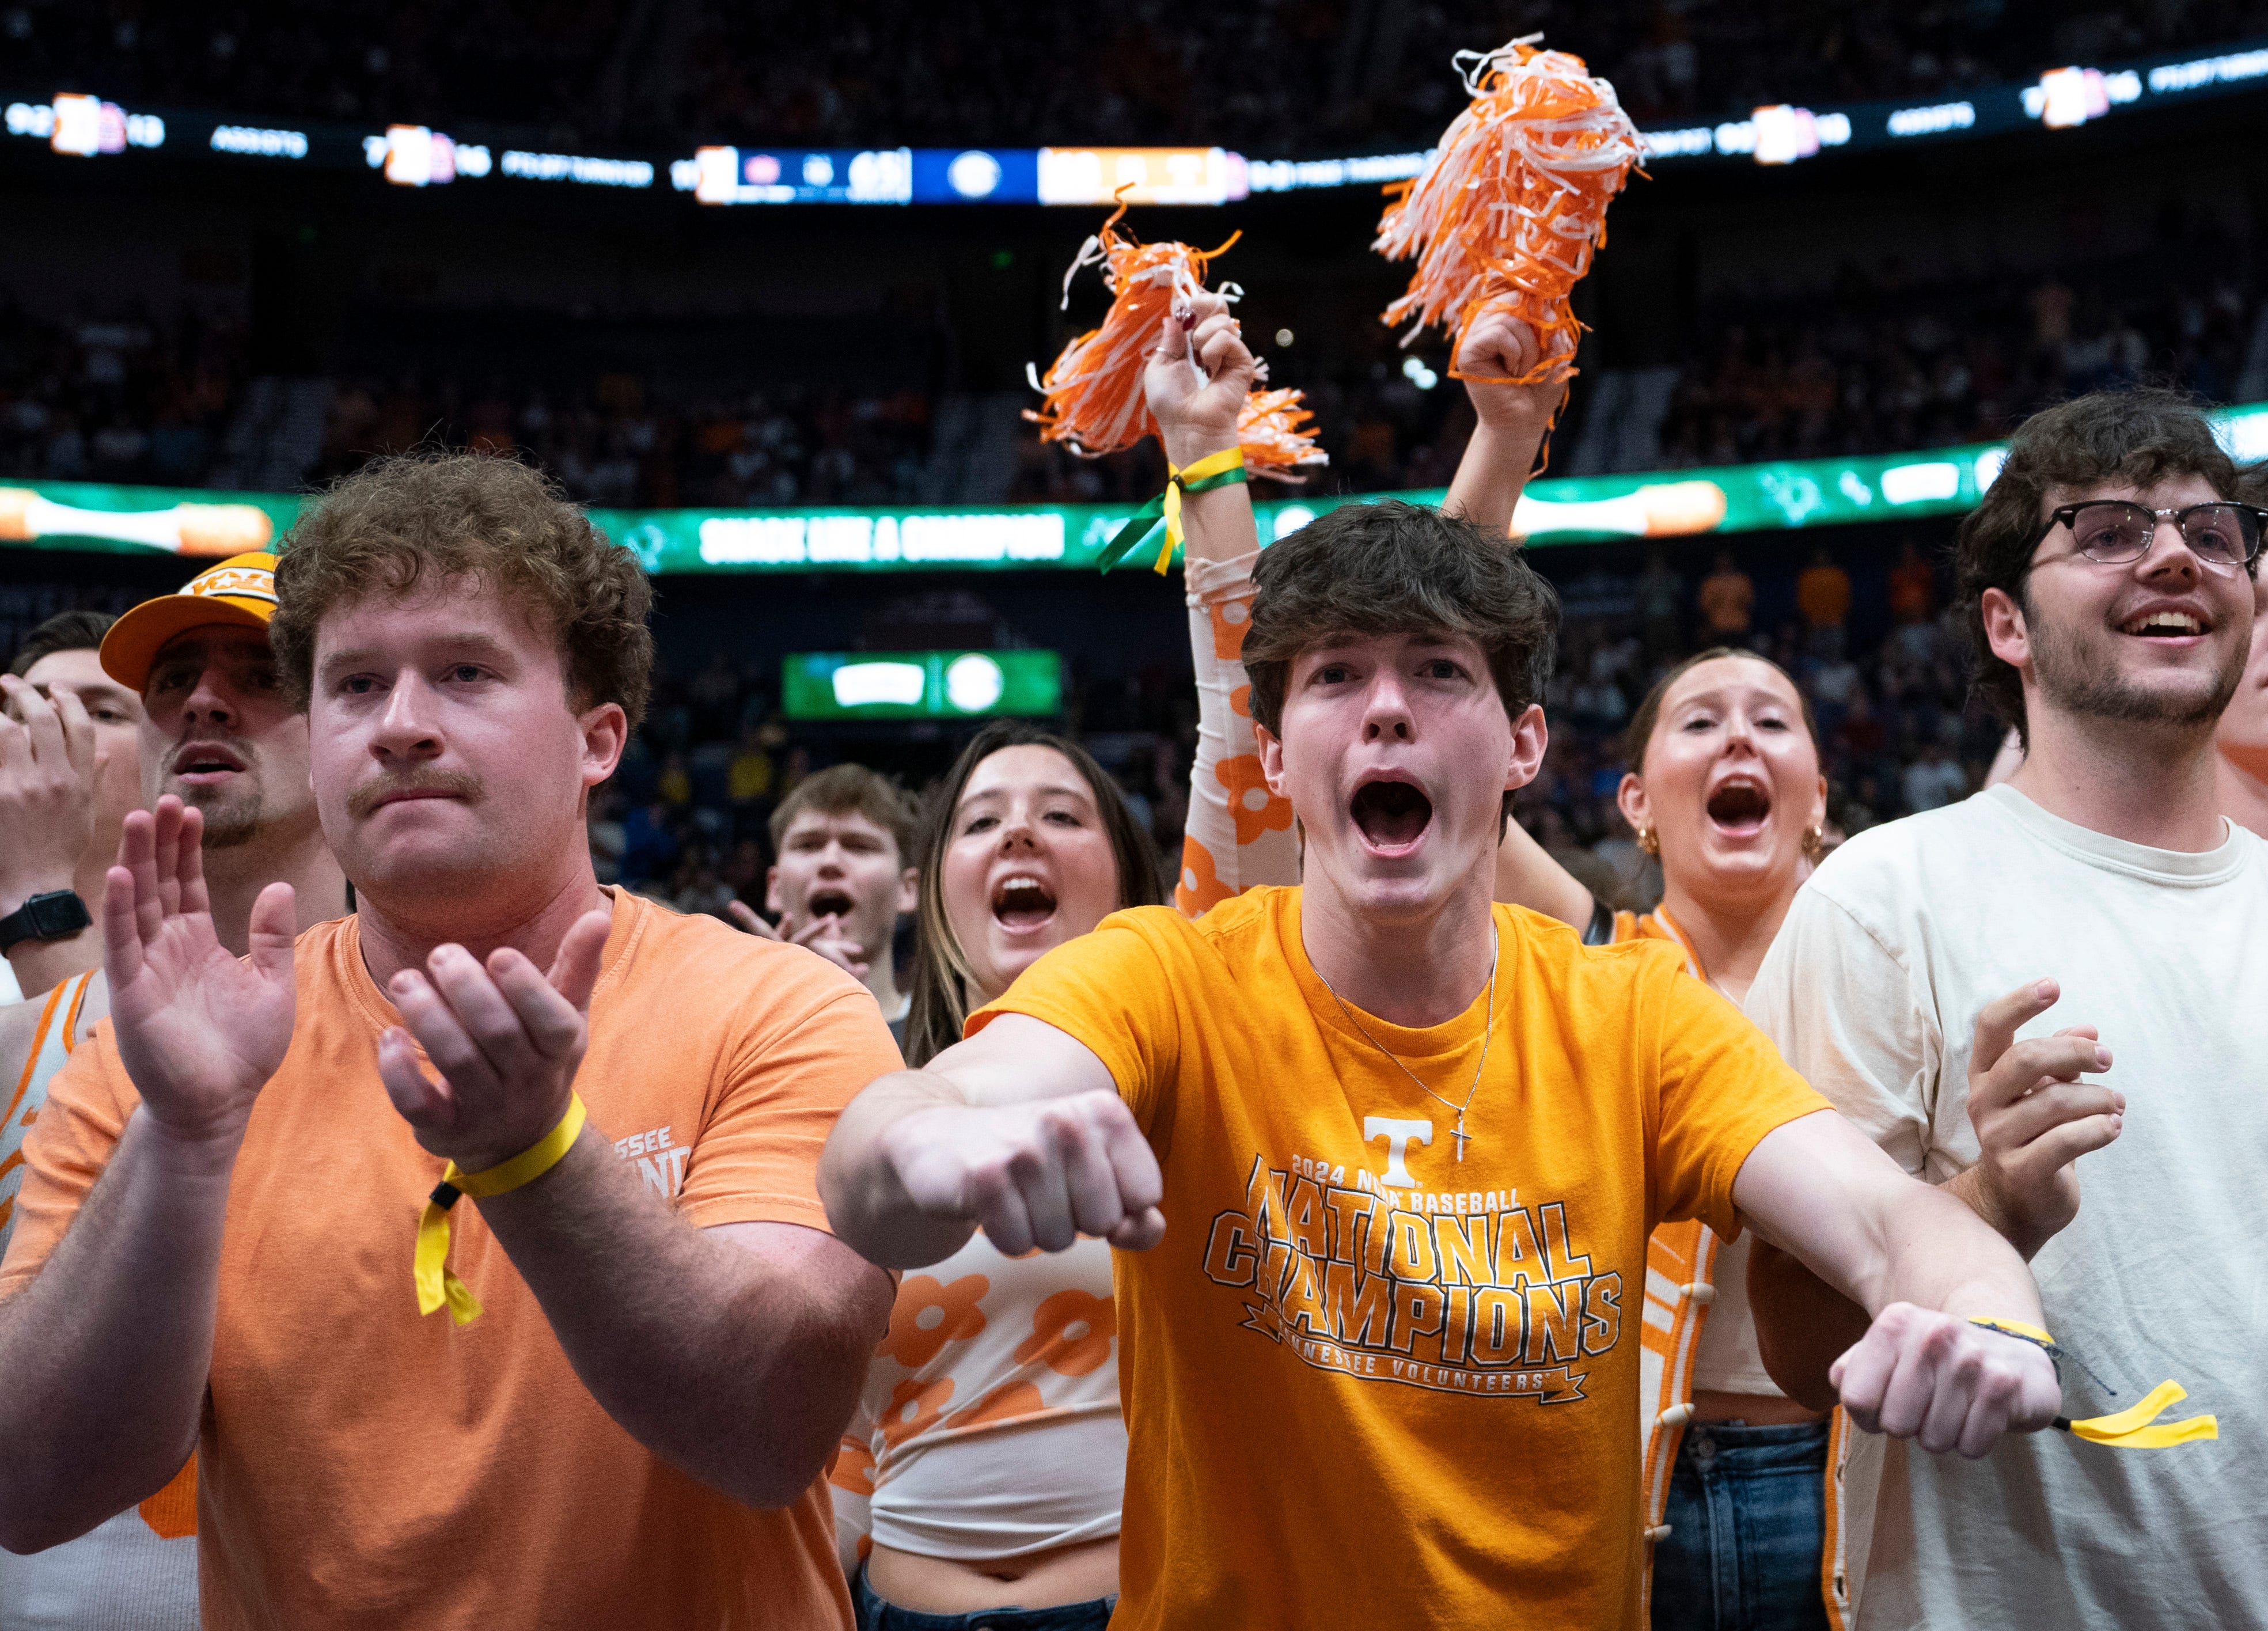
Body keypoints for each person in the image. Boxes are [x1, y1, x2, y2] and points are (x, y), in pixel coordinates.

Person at [818, 484, 2068, 1625]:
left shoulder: (1631, 1011)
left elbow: (1879, 1215)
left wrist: (1982, 1308)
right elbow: (907, 1130)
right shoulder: (1169, 975)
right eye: (1334, 678)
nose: (1386, 710)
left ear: (1521, 745)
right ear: (1273, 753)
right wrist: (925, 1146)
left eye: (1437, 672)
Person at [0, 454, 899, 1629]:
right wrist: (183, 1133)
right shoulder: (167, 1057)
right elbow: (31, 1488)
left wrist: (536, 1158)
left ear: (598, 739)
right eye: (357, 686)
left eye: (465, 673)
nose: (403, 727)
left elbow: (769, 1431)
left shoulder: (777, 1008)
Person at [1744, 389, 2266, 1629]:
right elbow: (1793, 1351)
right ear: (2005, 625)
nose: (2173, 554)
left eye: (2210, 527)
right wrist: (1990, 1210)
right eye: (2103, 531)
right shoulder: (1886, 896)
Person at [0, 553, 352, 1631]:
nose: (205, 698)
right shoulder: (22, 1038)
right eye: (175, 680)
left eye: (263, 670)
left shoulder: (451, 1029)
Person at [1495, 646, 1837, 1628]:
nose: (1736, 732)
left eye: (1770, 719)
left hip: (1855, 1470)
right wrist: (1498, 482)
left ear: (1815, 795)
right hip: (1628, 1479)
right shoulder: (1595, 961)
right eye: (1699, 720)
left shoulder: (1883, 971)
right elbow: (1456, 770)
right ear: (1637, 800)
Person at [832, 720, 1163, 1631]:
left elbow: (1241, 777)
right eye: (979, 824)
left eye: (1060, 815)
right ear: (932, 898)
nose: (1018, 834)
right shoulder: (872, 1108)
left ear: (1130, 879)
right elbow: (853, 1437)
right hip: (899, 1614)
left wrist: (1215, 581)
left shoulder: (1205, 1072)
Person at [1, 611, 144, 1003]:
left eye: (102, 713)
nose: (52, 723)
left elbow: (105, 1061)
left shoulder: (218, 939)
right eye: (26, 710)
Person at [729, 763, 921, 1048]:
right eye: (808, 845)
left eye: (860, 846)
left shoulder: (952, 1038)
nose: (830, 861)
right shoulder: (726, 1033)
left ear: (907, 890)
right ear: (775, 887)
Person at [1795, 547, 1852, 648]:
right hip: (1814, 625)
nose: (1821, 558)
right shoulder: (1808, 576)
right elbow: (1803, 602)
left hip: (1836, 623)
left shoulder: (1838, 575)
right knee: (1815, 653)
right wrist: (1809, 621)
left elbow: (1846, 599)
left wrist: (1838, 618)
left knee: (1835, 654)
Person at [1699, 549, 1756, 642]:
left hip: (1739, 626)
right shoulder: (1710, 582)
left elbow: (1750, 602)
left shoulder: (1742, 580)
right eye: (1721, 560)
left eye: (1726, 559)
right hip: (1718, 627)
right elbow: (1704, 606)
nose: (1724, 562)